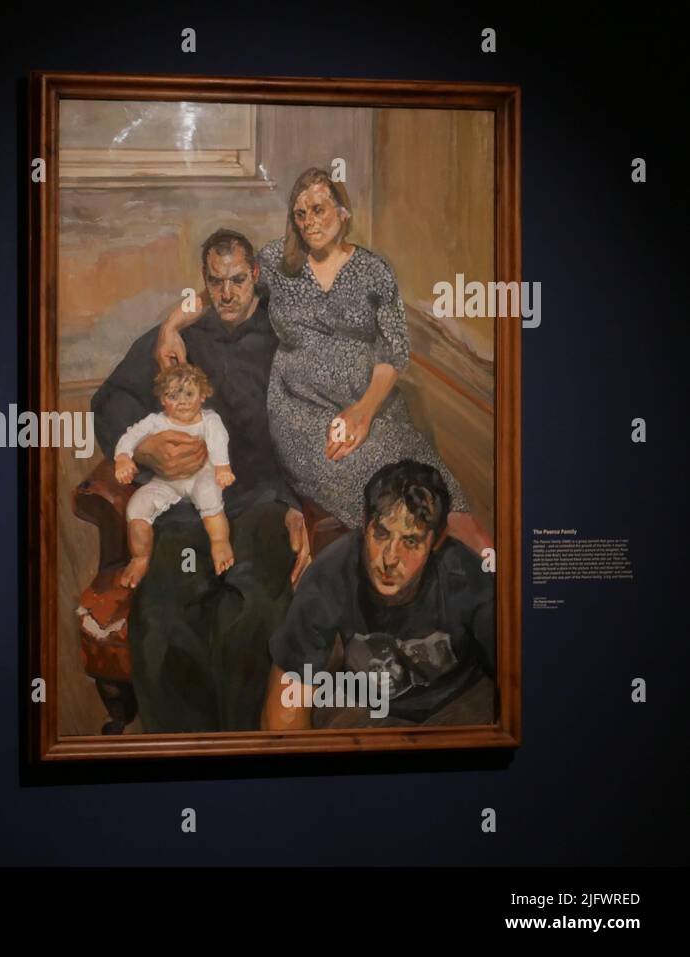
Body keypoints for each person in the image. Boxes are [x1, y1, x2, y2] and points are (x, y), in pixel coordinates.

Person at [156, 168, 489, 554]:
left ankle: (485, 572)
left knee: (433, 482)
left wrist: (363, 412)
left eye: (318, 209)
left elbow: (393, 349)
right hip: (300, 410)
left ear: (342, 211)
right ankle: (412, 564)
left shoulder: (374, 271)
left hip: (370, 406)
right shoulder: (279, 263)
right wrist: (170, 325)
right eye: (300, 214)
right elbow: (219, 289)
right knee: (374, 476)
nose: (309, 222)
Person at [91, 228, 311, 733]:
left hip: (260, 500)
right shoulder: (182, 336)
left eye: (237, 280)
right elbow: (112, 400)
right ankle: (184, 753)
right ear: (204, 284)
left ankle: (242, 748)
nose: (228, 294)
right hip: (182, 503)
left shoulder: (286, 333)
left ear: (255, 274)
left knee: (255, 612)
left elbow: (313, 428)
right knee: (166, 618)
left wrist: (298, 503)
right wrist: (144, 449)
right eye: (216, 283)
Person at [262, 460, 495, 730]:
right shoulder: (329, 574)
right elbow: (285, 707)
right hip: (368, 710)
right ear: (364, 526)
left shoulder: (468, 577)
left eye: (410, 541)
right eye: (381, 534)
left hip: (460, 703)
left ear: (436, 542)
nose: (390, 558)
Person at [113, 363, 235, 586]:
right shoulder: (155, 421)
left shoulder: (210, 420)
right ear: (162, 400)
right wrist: (123, 457)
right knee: (137, 507)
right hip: (167, 481)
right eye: (173, 395)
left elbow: (219, 441)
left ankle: (219, 542)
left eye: (189, 393)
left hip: (201, 476)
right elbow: (130, 436)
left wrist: (222, 467)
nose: (182, 401)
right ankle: (140, 558)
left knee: (209, 494)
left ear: (203, 396)